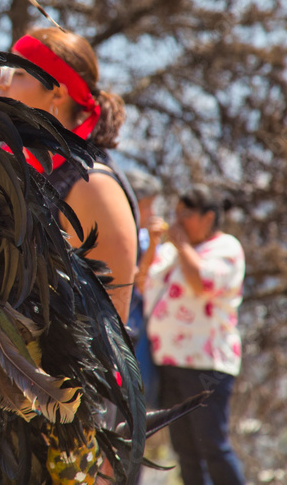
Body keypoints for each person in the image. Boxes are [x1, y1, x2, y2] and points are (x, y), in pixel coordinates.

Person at [0, 28, 138, 321]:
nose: (2, 84)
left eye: (18, 74)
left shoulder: (93, 187)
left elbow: (111, 326)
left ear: (57, 93)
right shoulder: (12, 166)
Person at [138, 184, 246, 485]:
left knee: (213, 446)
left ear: (208, 217)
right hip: (170, 361)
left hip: (207, 365)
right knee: (185, 450)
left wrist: (183, 246)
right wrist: (156, 244)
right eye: (175, 215)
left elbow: (203, 284)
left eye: (185, 215)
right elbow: (142, 283)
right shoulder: (172, 249)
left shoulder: (226, 248)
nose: (177, 223)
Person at [125, 168, 162, 408]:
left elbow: (146, 282)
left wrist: (153, 242)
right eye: (146, 205)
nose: (152, 213)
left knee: (140, 384)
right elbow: (134, 279)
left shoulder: (146, 237)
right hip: (121, 315)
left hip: (139, 320)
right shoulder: (121, 233)